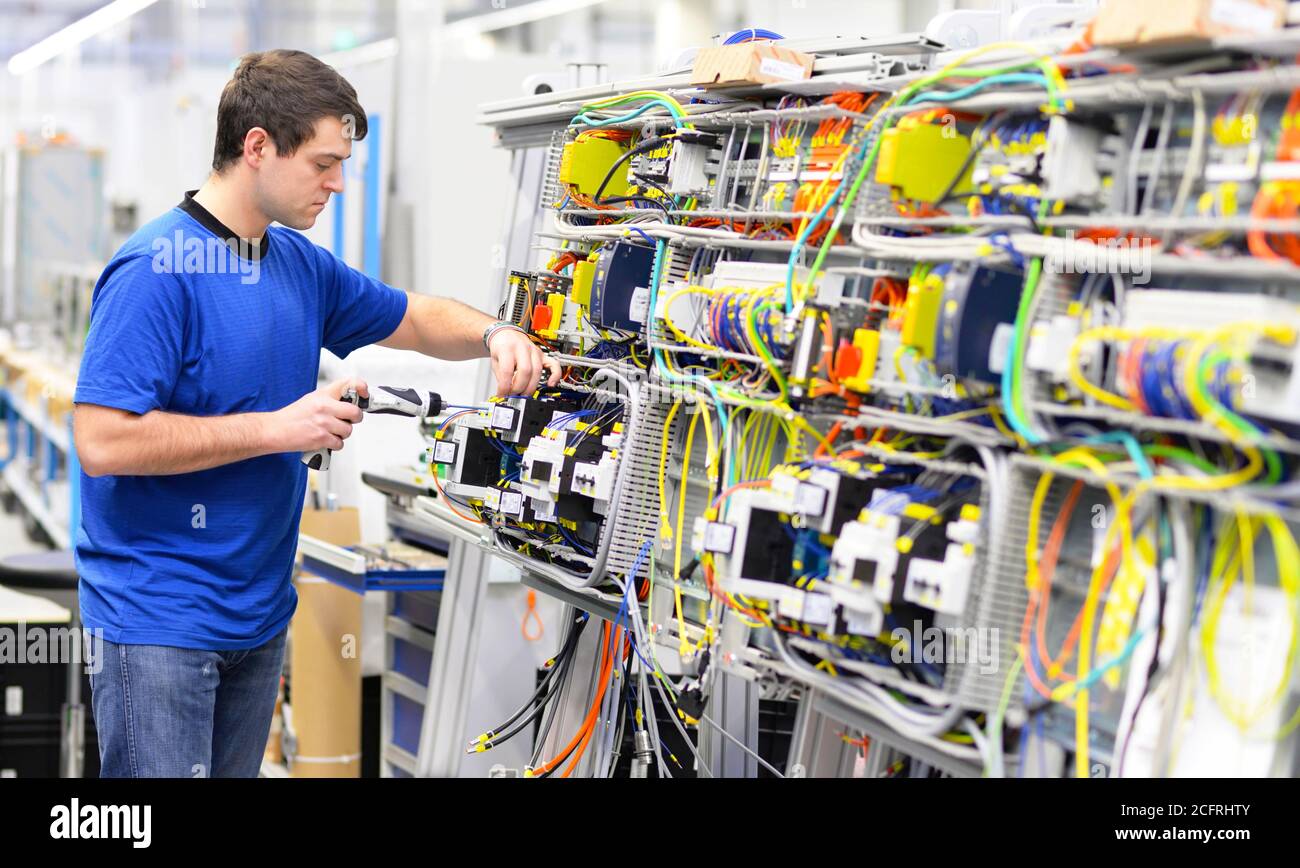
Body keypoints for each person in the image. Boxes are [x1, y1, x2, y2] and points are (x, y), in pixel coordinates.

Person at [71, 48, 557, 778]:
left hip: (258, 617)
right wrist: (279, 428)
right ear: (258, 146)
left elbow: (414, 317)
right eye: (323, 163)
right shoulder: (156, 271)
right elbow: (102, 441)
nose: (336, 183)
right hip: (160, 623)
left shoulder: (297, 262)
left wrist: (497, 334)